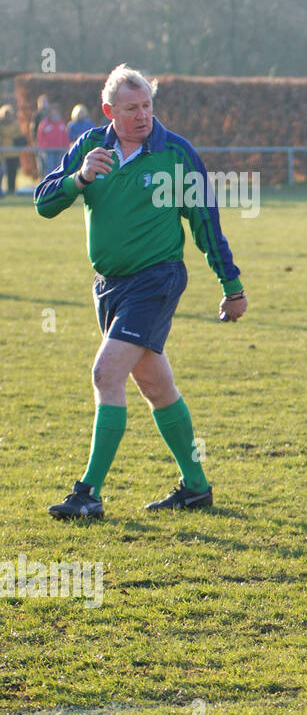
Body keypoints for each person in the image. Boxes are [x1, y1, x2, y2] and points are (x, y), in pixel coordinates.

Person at [35, 64, 247, 519]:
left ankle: (88, 493)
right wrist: (79, 179)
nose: (143, 115)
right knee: (155, 383)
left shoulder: (175, 153)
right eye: (132, 108)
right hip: (108, 286)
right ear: (109, 110)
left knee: (105, 373)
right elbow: (44, 202)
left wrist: (232, 286)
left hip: (158, 279)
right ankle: (195, 487)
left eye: (148, 105)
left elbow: (206, 222)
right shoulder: (91, 146)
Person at [37, 106, 70, 179]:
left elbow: (65, 137)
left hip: (60, 150)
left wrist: (66, 147)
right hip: (48, 151)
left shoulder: (62, 123)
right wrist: (42, 148)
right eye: (53, 113)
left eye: (56, 113)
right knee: (50, 168)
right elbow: (40, 137)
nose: (54, 115)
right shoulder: (44, 124)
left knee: (59, 168)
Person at [0, 104, 22, 196]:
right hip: (3, 154)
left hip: (14, 153)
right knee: (3, 173)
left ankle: (11, 190)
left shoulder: (16, 124)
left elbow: (19, 135)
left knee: (13, 173)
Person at [30, 95, 49, 176]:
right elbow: (33, 130)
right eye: (41, 102)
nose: (43, 104)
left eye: (45, 102)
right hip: (40, 144)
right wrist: (35, 143)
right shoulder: (36, 116)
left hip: (50, 145)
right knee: (41, 165)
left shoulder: (51, 114)